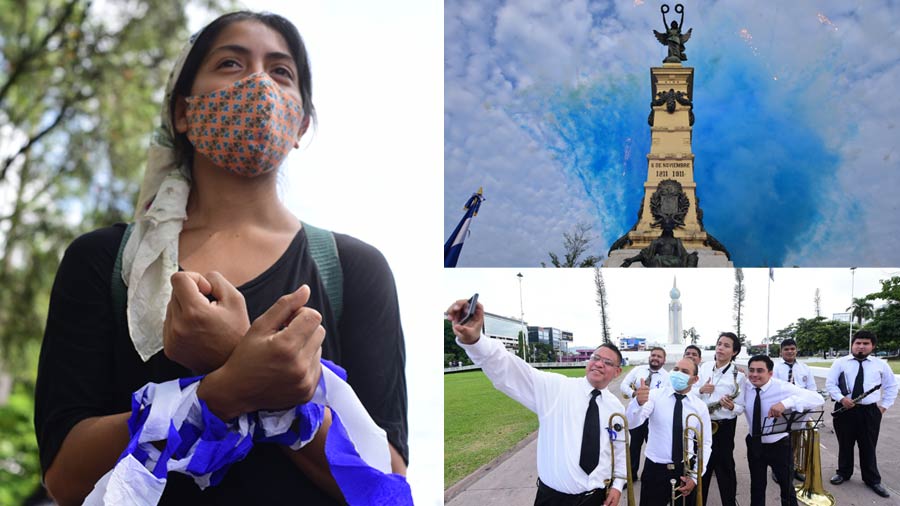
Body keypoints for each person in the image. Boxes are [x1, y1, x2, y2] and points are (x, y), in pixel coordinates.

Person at [33, 11, 408, 505]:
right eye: (231, 63)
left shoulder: (354, 269)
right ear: (183, 111)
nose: (257, 83)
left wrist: (233, 357)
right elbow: (65, 477)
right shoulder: (105, 262)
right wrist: (222, 391)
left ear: (300, 123)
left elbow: (387, 479)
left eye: (280, 72)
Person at [448, 298, 624, 506]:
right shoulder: (555, 388)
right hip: (552, 499)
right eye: (596, 358)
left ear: (617, 372)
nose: (599, 364)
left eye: (607, 362)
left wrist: (618, 484)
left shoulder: (616, 407)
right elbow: (509, 369)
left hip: (596, 499)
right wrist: (476, 340)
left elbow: (619, 448)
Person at [626, 358, 711, 506]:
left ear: (695, 379)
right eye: (676, 369)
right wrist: (637, 404)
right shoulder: (654, 395)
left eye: (684, 372)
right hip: (655, 469)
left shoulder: (700, 406)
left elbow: (705, 443)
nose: (678, 374)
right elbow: (632, 423)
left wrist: (696, 477)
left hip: (685, 470)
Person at [742, 355, 824, 506]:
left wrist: (785, 403)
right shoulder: (745, 385)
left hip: (779, 444)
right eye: (751, 370)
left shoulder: (782, 387)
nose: (754, 374)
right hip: (754, 443)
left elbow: (818, 399)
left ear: (770, 373)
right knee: (757, 485)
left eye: (760, 371)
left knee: (786, 486)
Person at [825, 330, 898, 498]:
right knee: (845, 444)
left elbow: (891, 386)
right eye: (858, 343)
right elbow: (831, 384)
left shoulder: (881, 365)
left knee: (868, 446)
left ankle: (872, 479)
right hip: (845, 410)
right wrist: (842, 399)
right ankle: (843, 472)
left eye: (866, 343)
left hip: (870, 411)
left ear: (872, 346)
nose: (861, 346)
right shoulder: (840, 363)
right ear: (852, 344)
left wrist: (883, 407)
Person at [696, 332, 745, 506]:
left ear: (734, 352)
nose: (720, 348)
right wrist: (701, 390)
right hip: (702, 424)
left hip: (724, 427)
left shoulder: (738, 376)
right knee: (701, 468)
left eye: (726, 345)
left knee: (725, 469)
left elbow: (742, 408)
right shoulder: (704, 367)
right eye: (719, 344)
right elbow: (691, 392)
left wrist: (732, 407)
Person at [620, 347, 670, 478]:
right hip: (636, 413)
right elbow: (623, 385)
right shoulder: (638, 370)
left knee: (653, 447)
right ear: (649, 357)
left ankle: (650, 476)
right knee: (633, 447)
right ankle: (631, 476)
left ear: (664, 360)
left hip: (654, 418)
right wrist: (635, 394)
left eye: (659, 356)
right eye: (653, 355)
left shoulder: (667, 377)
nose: (655, 358)